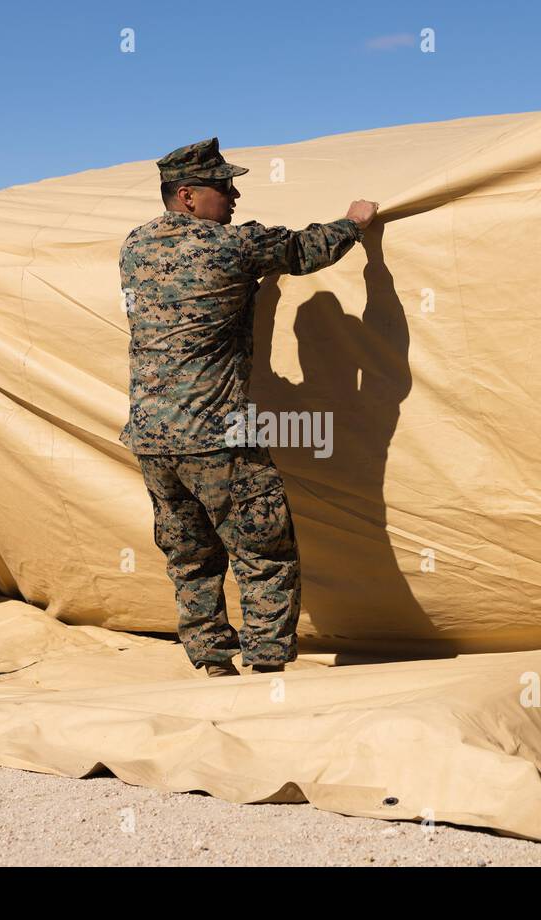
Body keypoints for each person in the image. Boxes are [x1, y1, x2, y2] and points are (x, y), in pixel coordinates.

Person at [122, 137, 378, 676]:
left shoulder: (135, 246)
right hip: (218, 436)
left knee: (190, 558)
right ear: (187, 196)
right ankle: (265, 672)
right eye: (223, 187)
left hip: (151, 440)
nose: (234, 195)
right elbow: (307, 250)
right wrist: (354, 222)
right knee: (266, 552)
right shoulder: (233, 248)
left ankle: (212, 663)